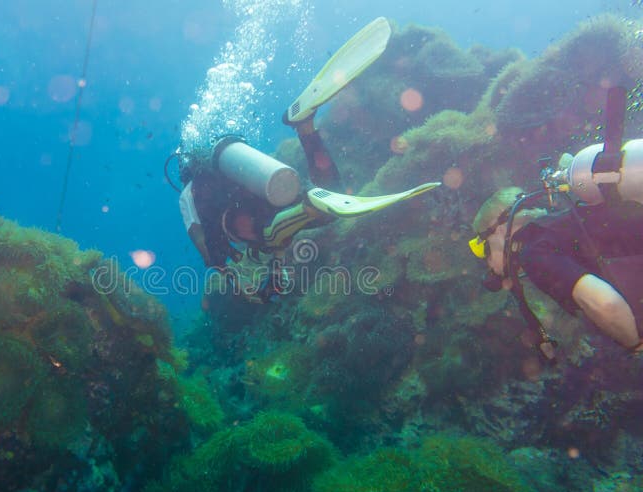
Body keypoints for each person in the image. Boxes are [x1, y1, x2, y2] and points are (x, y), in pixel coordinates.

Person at [177, 17, 439, 303]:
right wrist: (276, 269)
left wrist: (221, 268)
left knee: (277, 230)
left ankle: (309, 204)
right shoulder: (231, 169)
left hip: (239, 216)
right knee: (330, 202)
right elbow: (275, 235)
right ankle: (304, 126)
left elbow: (201, 239)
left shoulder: (189, 193)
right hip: (269, 191)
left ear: (184, 169)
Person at [469, 141, 643, 356]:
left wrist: (634, 345)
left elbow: (605, 304)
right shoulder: (562, 226)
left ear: (500, 229)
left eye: (482, 249)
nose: (487, 262)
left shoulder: (533, 253)